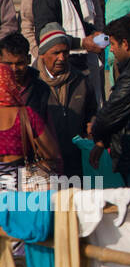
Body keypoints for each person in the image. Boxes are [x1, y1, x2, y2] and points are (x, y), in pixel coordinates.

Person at [89, 17, 130, 187]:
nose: (112, 50)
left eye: (113, 44)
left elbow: (110, 113)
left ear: (125, 44)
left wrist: (96, 129)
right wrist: (103, 141)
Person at [31, 23, 97, 181]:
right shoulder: (31, 83)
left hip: (76, 162)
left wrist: (93, 125)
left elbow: (92, 113)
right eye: (56, 53)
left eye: (65, 52)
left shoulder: (81, 80)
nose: (61, 58)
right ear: (42, 54)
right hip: (43, 165)